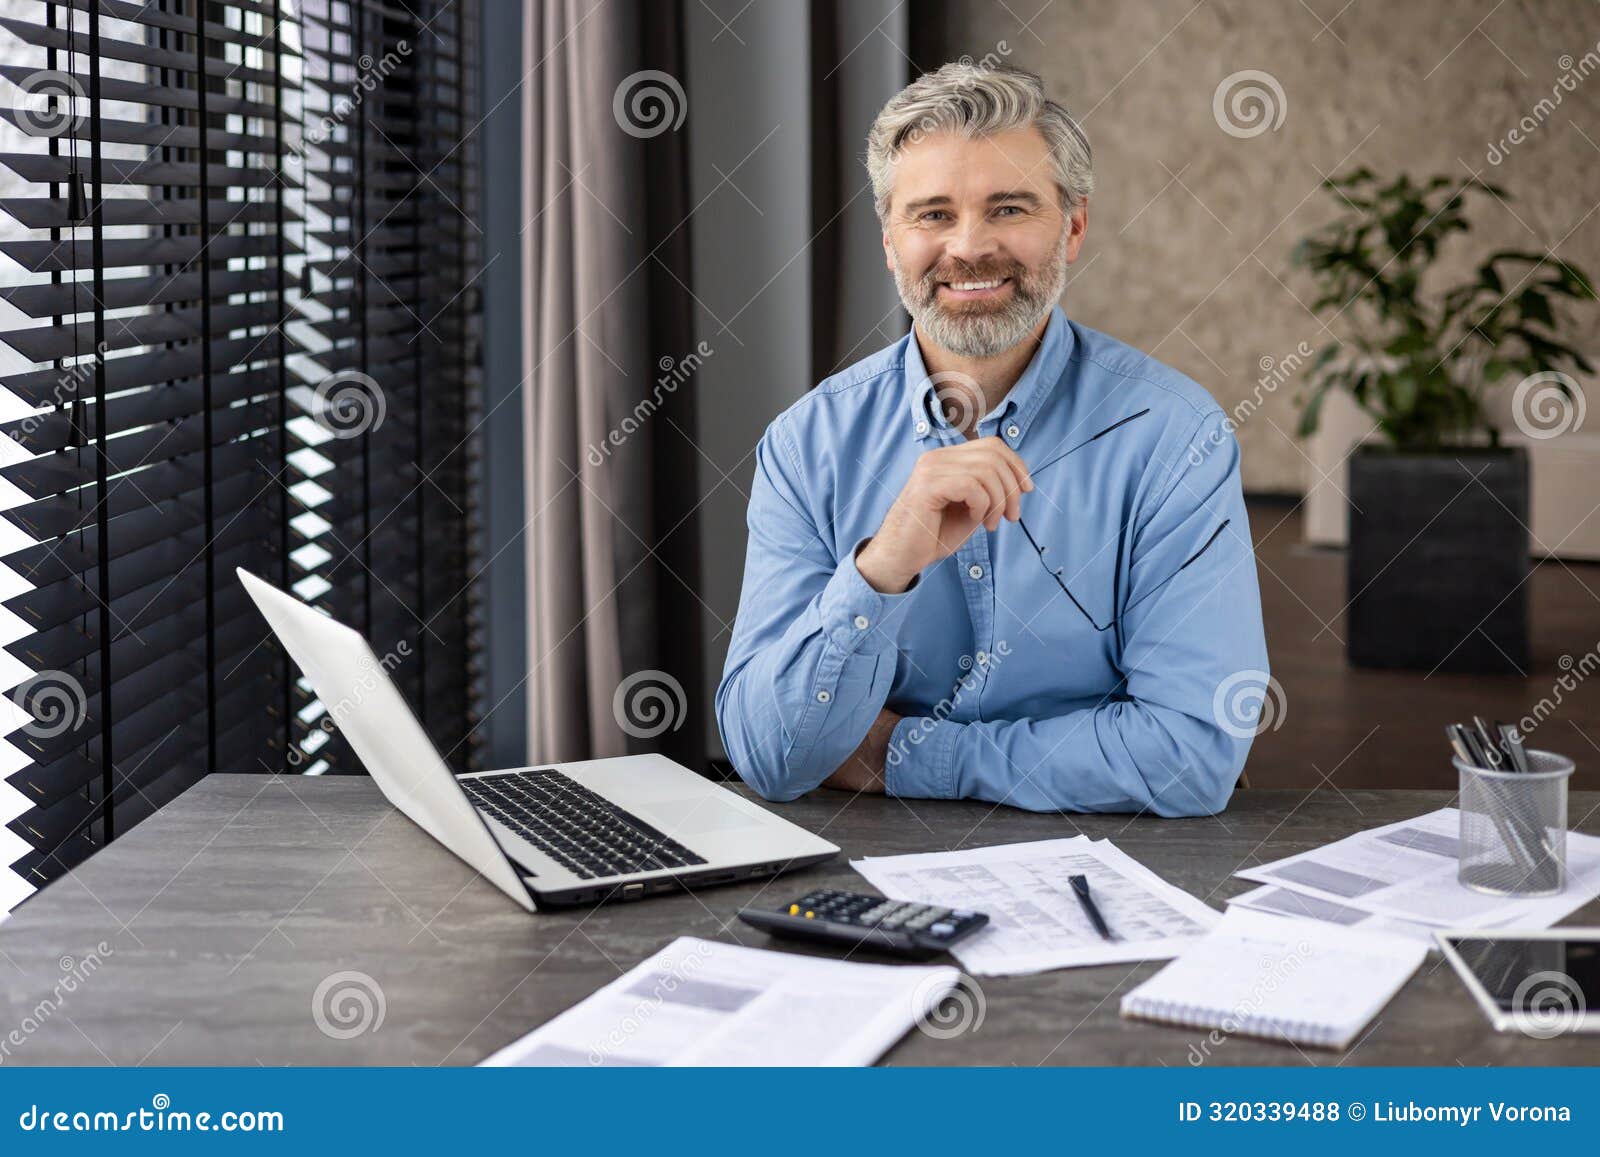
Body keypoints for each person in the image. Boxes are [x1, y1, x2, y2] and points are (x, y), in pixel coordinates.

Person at [715, 62, 1269, 816]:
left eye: (1009, 208)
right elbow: (772, 755)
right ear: (889, 240)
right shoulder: (806, 443)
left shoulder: (1174, 436)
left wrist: (898, 754)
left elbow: (1191, 755)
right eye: (932, 214)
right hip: (864, 885)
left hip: (1116, 867)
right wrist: (882, 567)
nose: (969, 247)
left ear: (1072, 228)